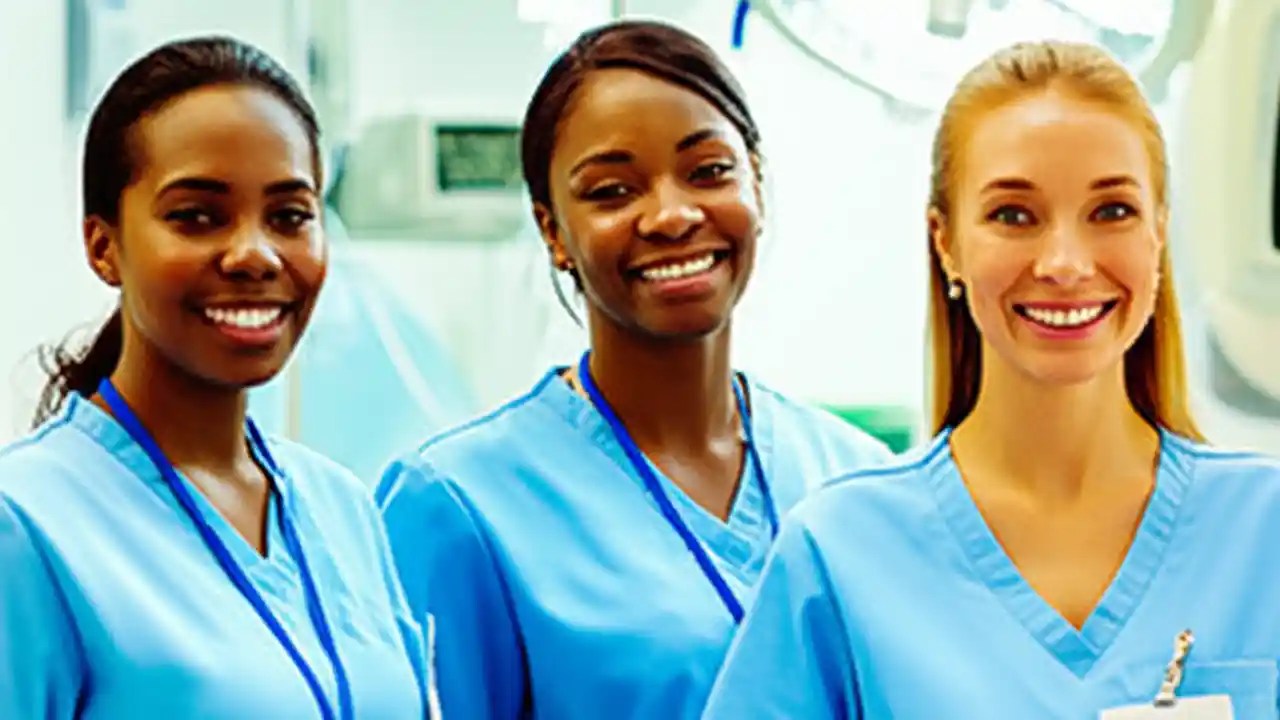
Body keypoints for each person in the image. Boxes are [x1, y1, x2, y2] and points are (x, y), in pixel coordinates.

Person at [702, 39, 1280, 719]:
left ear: (1159, 231)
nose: (1065, 263)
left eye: (1111, 212)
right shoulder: (841, 552)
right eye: (1013, 215)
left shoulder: (1261, 530)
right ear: (946, 242)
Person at [374, 18, 892, 720]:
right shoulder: (459, 504)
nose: (672, 216)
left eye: (709, 172)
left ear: (758, 186)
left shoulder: (856, 477)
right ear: (553, 231)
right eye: (612, 191)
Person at [0, 37, 432, 719]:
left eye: (289, 217)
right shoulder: (26, 521)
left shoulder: (341, 507)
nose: (254, 255)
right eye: (196, 217)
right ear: (103, 246)